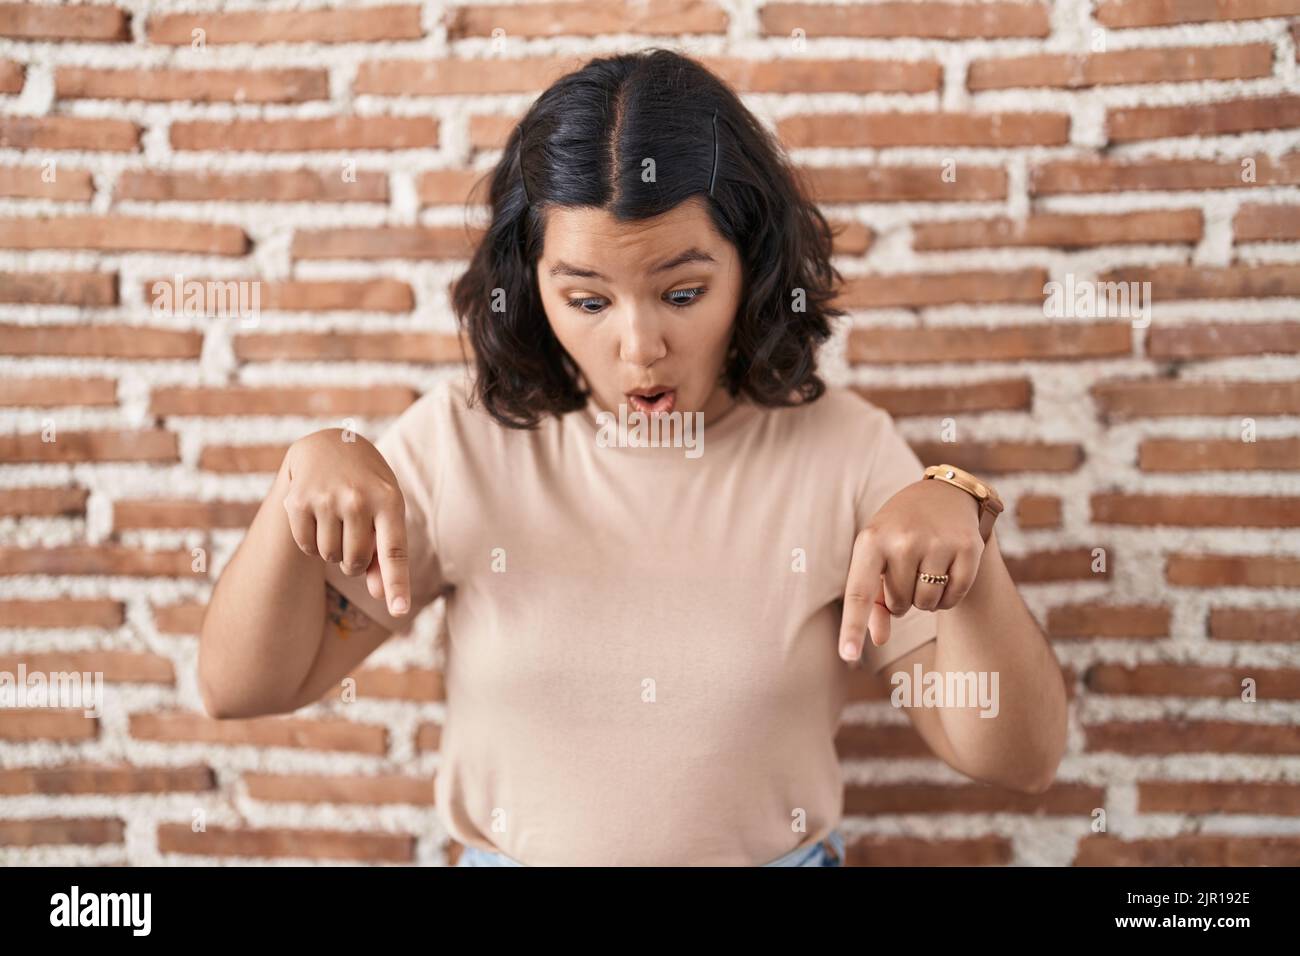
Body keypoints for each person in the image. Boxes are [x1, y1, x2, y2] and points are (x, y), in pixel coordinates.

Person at [198, 48, 1067, 867]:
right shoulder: (460, 442)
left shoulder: (843, 452)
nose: (639, 346)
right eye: (587, 299)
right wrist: (295, 483)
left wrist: (967, 524)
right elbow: (240, 688)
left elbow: (1017, 759)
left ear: (752, 268)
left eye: (683, 293)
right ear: (532, 287)